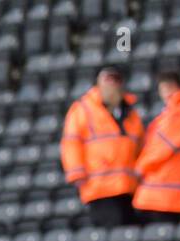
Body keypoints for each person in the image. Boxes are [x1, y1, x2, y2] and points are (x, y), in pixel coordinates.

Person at [62, 65, 145, 227]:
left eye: (116, 80)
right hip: (100, 187)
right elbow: (71, 142)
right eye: (107, 79)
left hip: (128, 187)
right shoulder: (83, 109)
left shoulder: (131, 114)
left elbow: (140, 146)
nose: (112, 84)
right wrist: (77, 174)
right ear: (98, 83)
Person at [133, 70, 180, 224]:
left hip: (167, 192)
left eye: (169, 87)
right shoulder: (170, 114)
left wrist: (141, 166)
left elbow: (162, 147)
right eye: (164, 88)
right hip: (161, 190)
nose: (166, 93)